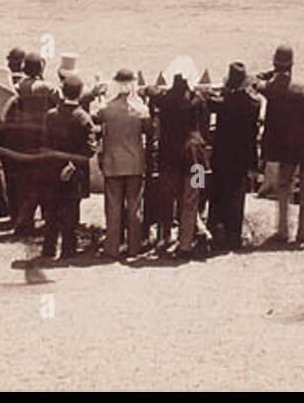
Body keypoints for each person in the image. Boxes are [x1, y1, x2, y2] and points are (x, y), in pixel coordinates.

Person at [257, 44, 304, 247]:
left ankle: (283, 231)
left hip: (284, 145)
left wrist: (270, 73)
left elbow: (254, 80)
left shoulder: (270, 88)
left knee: (284, 187)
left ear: (275, 63)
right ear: (292, 64)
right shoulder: (303, 85)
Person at [94, 68, 152, 259]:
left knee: (113, 207)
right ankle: (134, 246)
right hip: (135, 162)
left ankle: (112, 247)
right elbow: (150, 131)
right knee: (134, 208)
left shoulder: (106, 109)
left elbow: (96, 121)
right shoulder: (140, 109)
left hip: (113, 162)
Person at [152, 64, 208, 257]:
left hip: (170, 159)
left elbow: (153, 93)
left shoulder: (164, 101)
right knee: (194, 198)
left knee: (168, 198)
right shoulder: (198, 100)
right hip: (197, 158)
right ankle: (189, 241)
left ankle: (165, 237)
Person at [40, 73, 97, 260]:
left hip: (50, 170)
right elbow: (90, 149)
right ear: (80, 92)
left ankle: (49, 248)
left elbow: (44, 144)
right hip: (74, 172)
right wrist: (72, 164)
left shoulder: (50, 116)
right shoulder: (83, 118)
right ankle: (68, 249)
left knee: (51, 212)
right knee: (71, 211)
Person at [207, 62, 261, 251]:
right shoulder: (253, 104)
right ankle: (233, 236)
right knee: (237, 197)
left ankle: (214, 231)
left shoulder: (222, 102)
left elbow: (210, 101)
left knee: (217, 194)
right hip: (241, 156)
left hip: (221, 155)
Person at [9, 52, 57, 235]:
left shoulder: (16, 88)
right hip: (44, 139)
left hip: (21, 141)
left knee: (24, 182)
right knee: (46, 181)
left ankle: (24, 222)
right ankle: (46, 218)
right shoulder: (47, 88)